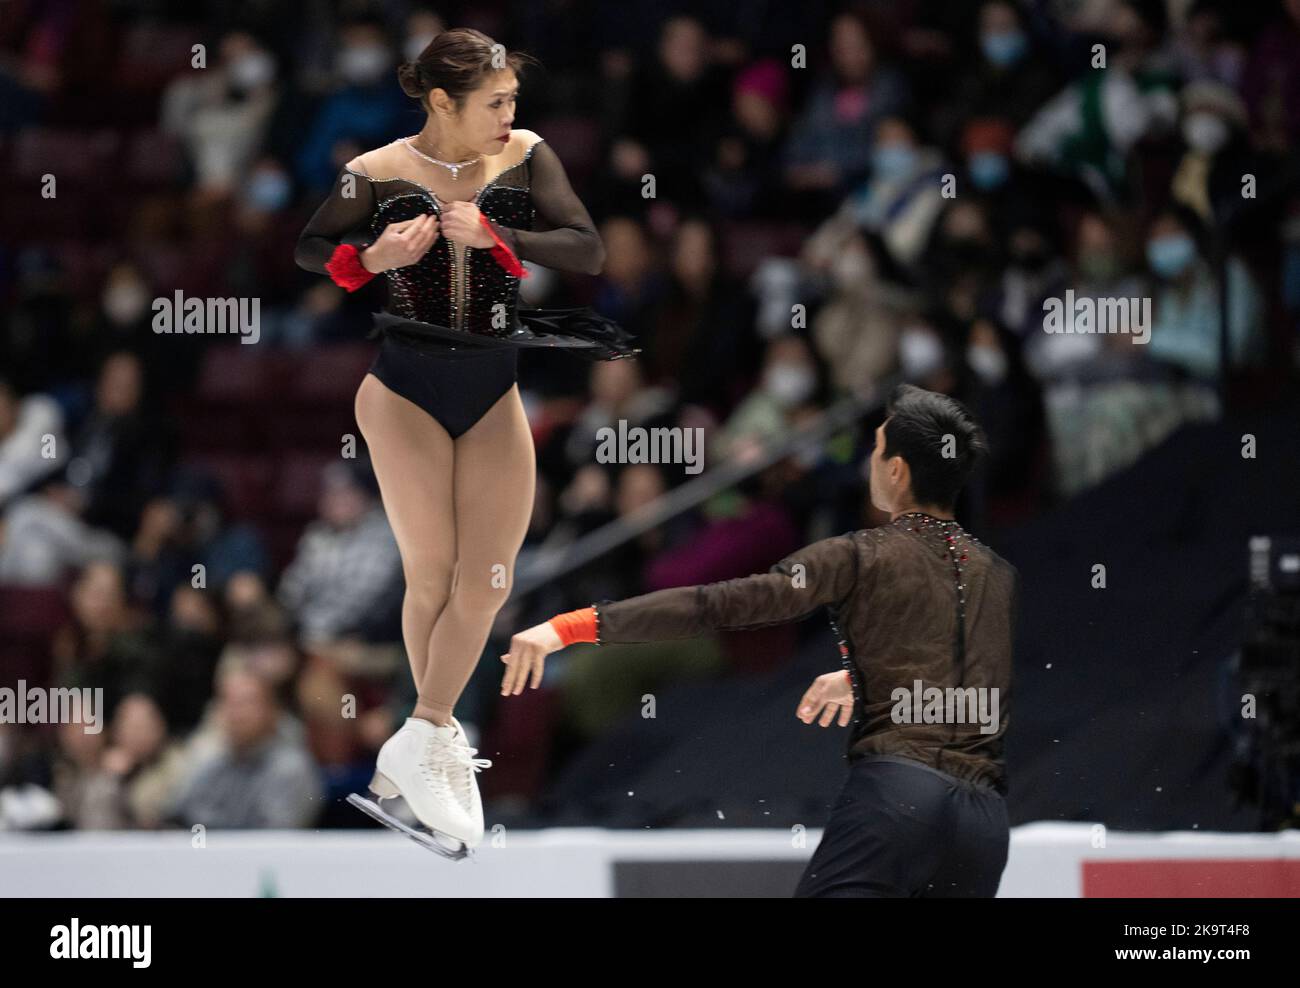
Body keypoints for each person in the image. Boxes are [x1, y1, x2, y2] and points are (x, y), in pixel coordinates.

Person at [294, 28, 636, 853]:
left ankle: (423, 736)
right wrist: (371, 256)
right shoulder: (376, 170)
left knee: (488, 581)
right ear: (443, 102)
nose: (509, 114)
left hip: (492, 388)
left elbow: (588, 248)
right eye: (495, 102)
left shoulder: (525, 156)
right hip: (403, 391)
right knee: (435, 572)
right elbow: (309, 247)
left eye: (513, 100)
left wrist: (500, 237)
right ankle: (433, 744)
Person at [504, 384, 1021, 896]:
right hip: (982, 821)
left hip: (899, 798)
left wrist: (570, 627)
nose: (869, 461)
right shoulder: (994, 572)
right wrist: (861, 677)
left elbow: (717, 604)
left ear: (897, 471)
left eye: (877, 450)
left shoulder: (859, 555)